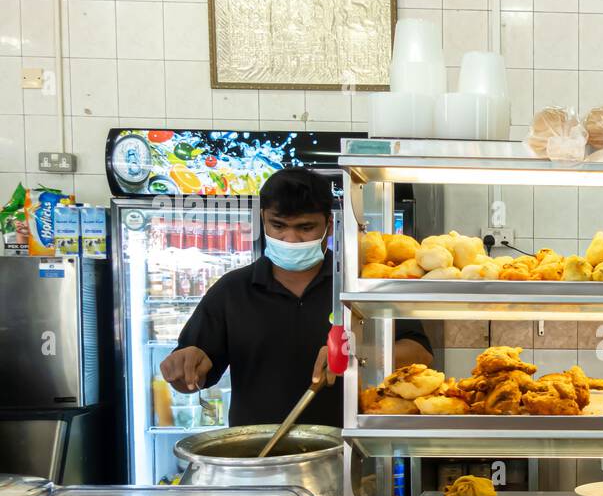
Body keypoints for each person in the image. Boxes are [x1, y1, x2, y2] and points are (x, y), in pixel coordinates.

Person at [160, 168, 431, 427]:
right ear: (263, 219)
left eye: (305, 227)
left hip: (346, 452)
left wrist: (356, 354)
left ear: (328, 224)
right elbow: (189, 379)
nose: (290, 239)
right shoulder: (232, 290)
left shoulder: (360, 286)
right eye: (278, 226)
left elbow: (421, 354)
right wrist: (183, 370)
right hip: (261, 453)